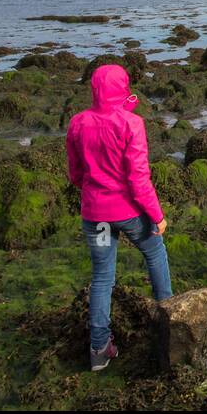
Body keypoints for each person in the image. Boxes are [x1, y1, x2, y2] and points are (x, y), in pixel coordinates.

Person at [65, 63, 171, 371]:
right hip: (128, 212)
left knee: (102, 278)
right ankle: (169, 320)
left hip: (95, 214)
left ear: (94, 89)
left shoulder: (77, 123)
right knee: (155, 251)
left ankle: (99, 350)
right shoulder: (132, 123)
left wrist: (95, 189)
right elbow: (139, 179)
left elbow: (76, 174)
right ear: (122, 87)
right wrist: (157, 216)